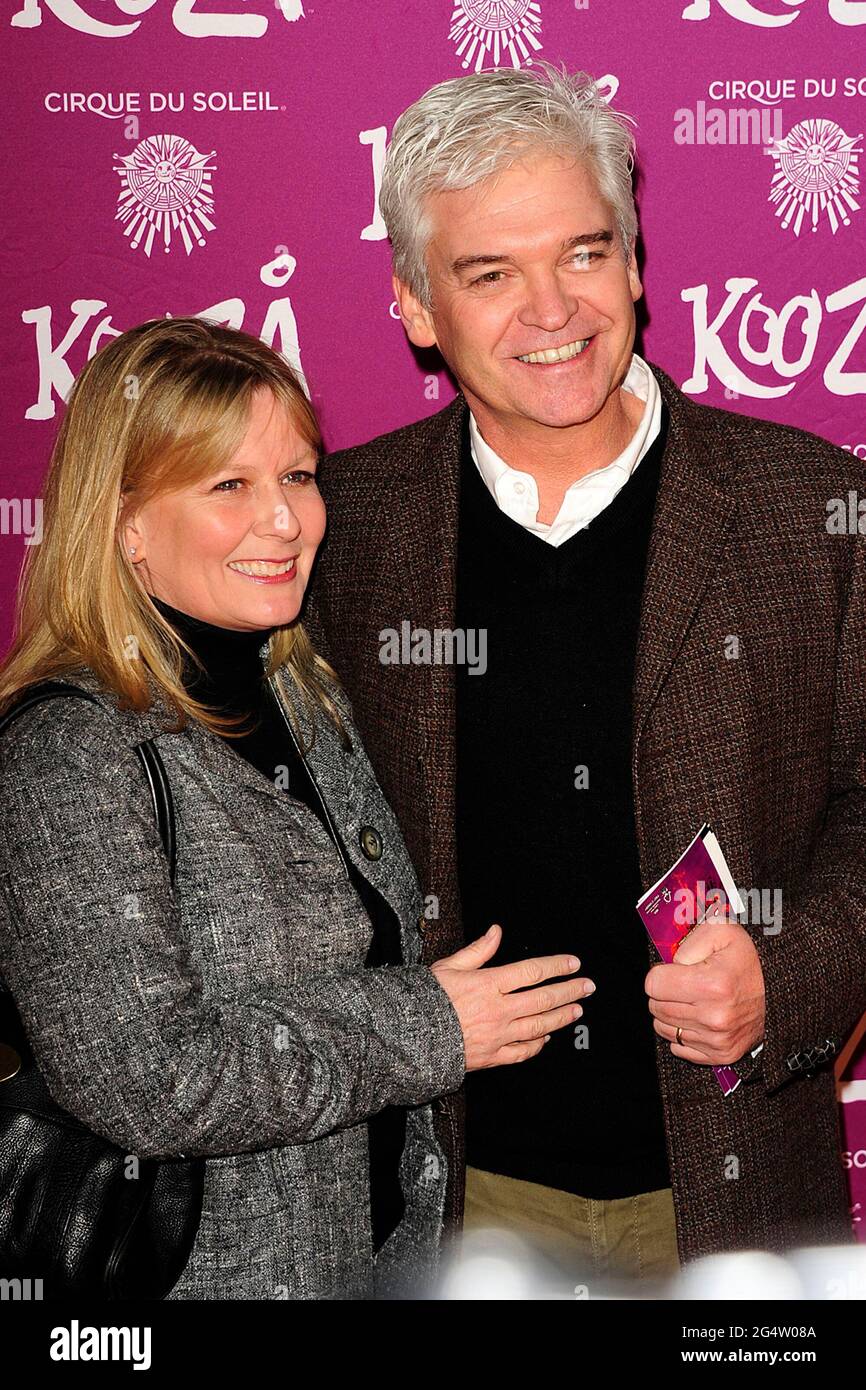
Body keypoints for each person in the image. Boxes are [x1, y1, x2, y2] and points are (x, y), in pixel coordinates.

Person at [302, 61, 866, 1282]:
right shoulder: (337, 531)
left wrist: (789, 969)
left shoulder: (812, 507)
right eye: (488, 273)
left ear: (636, 263)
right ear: (412, 304)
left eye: (583, 252)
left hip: (737, 1190)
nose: (551, 309)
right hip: (448, 1198)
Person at [0, 316, 592, 1300]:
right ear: (124, 521)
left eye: (299, 476)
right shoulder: (69, 755)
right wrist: (428, 1027)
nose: (284, 521)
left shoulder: (304, 696)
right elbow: (149, 1078)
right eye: (228, 485)